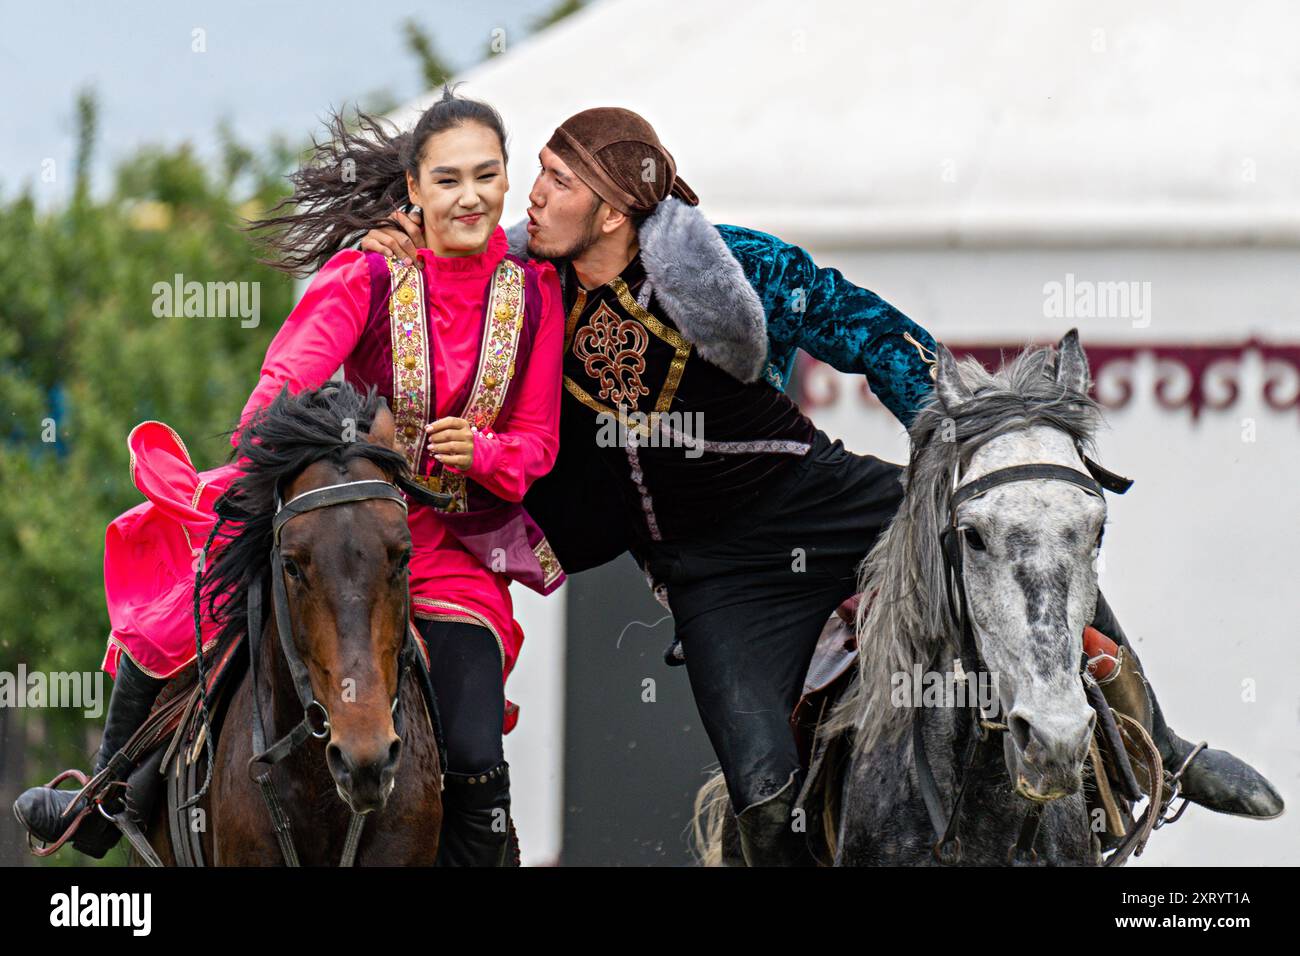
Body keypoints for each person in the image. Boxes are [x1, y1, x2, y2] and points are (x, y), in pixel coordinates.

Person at [361, 106, 1284, 865]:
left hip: (822, 499)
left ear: (613, 209)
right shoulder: (521, 285)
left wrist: (961, 432)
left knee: (1021, 523)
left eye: (557, 179)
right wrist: (402, 249)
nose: (533, 193)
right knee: (763, 798)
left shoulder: (737, 268)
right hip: (714, 572)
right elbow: (421, 302)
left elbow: (867, 330)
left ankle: (1163, 742)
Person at [14, 87, 566, 867]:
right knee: (174, 619)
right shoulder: (365, 273)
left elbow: (537, 445)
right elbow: (286, 374)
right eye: (447, 179)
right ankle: (107, 796)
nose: (468, 196)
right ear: (413, 187)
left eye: (486, 176)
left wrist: (484, 454)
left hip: (448, 554)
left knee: (475, 750)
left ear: (507, 182)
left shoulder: (536, 292)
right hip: (346, 517)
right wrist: (264, 451)